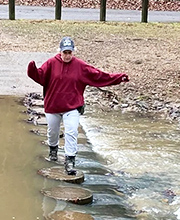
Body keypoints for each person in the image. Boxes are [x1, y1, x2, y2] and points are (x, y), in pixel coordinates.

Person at [27, 36, 129, 175]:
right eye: (65, 52)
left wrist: (118, 78)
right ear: (60, 52)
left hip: (72, 106)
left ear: (73, 52)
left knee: (71, 132)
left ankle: (70, 161)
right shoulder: (51, 63)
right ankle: (53, 151)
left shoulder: (80, 66)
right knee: (53, 132)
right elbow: (40, 76)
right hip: (53, 106)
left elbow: (98, 76)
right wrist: (32, 69)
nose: (67, 55)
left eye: (70, 52)